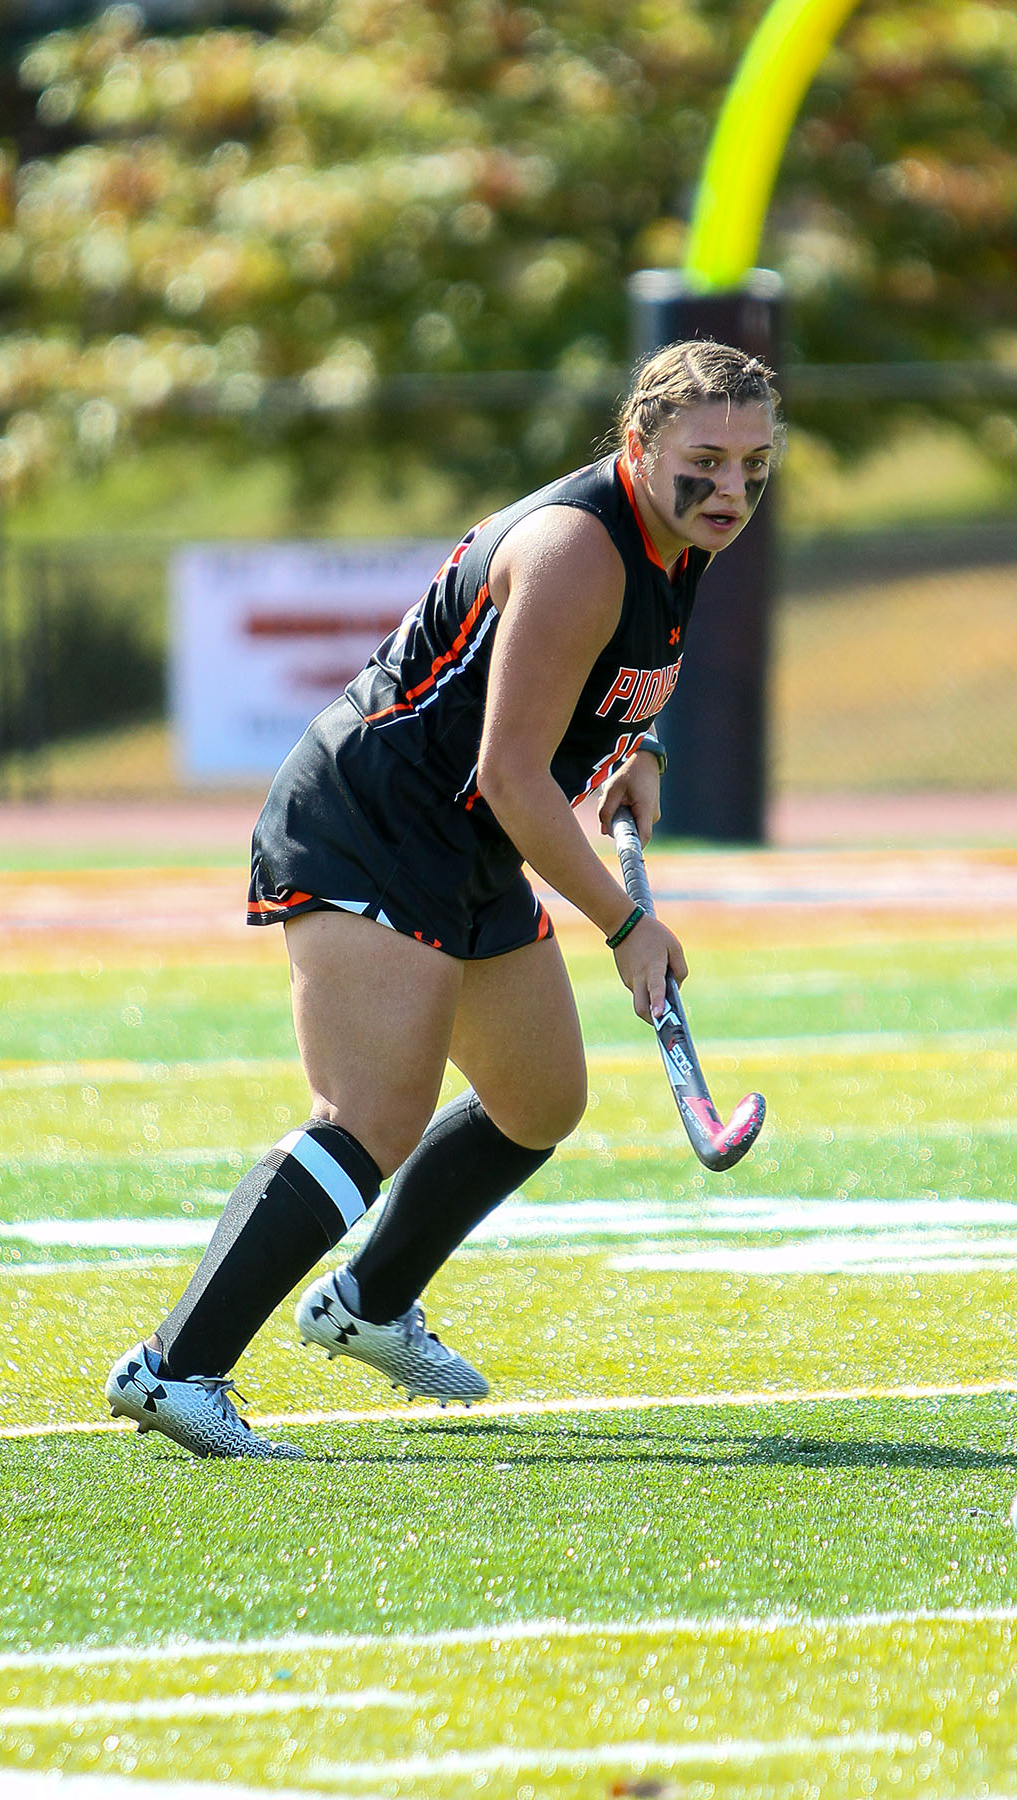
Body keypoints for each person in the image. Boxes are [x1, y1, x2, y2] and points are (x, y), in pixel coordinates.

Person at [106, 337, 781, 1459]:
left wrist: (637, 744)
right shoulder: (578, 548)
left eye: (756, 465)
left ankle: (367, 1302)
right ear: (638, 442)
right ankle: (176, 1368)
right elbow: (514, 775)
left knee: (539, 1097)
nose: (732, 488)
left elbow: (601, 684)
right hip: (375, 818)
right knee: (373, 1115)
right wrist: (624, 925)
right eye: (706, 460)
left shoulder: (681, 538)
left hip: (464, 837)